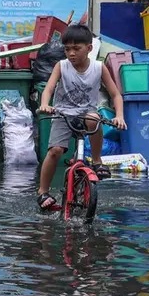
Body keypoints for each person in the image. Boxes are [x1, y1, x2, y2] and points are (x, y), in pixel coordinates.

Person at [35, 23, 126, 211]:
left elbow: (116, 94)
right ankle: (42, 191)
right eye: (67, 49)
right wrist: (45, 104)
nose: (71, 53)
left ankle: (97, 161)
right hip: (62, 114)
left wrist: (119, 116)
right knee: (55, 151)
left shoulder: (99, 68)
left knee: (94, 118)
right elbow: (49, 88)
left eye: (77, 48)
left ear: (89, 48)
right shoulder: (61, 66)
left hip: (86, 114)